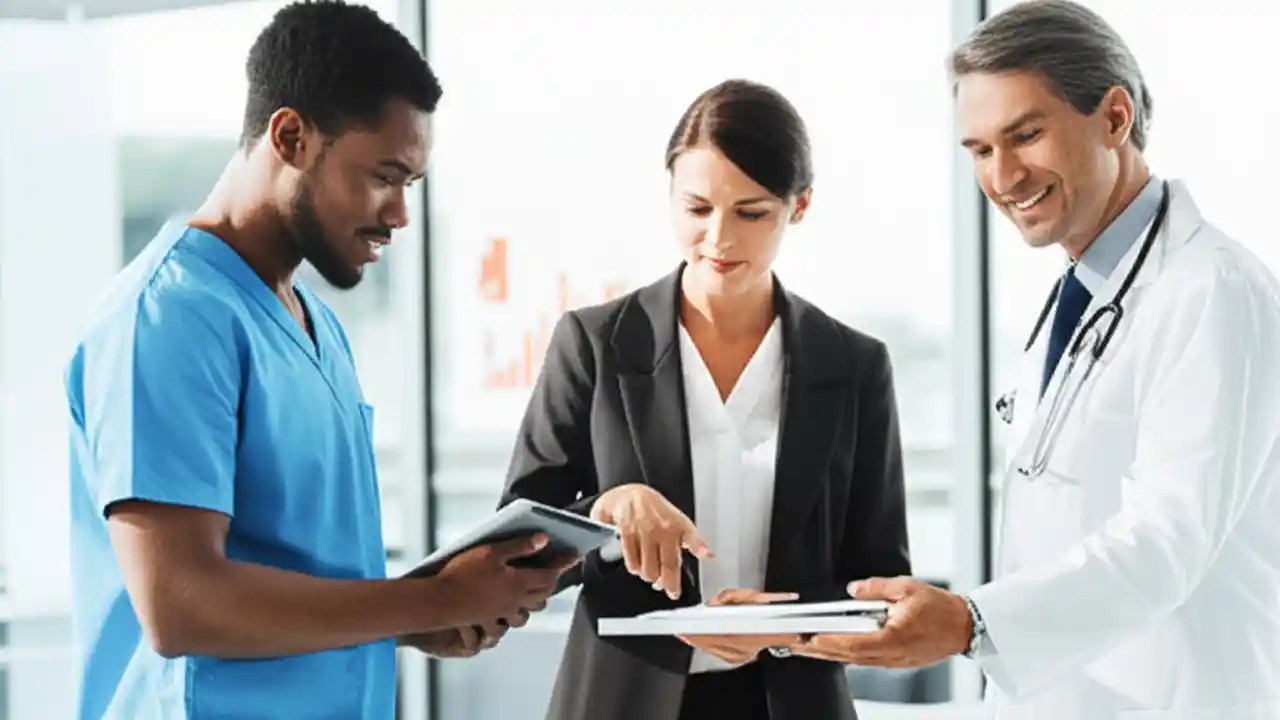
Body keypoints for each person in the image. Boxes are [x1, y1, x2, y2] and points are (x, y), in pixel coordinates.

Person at [64, 3, 576, 718]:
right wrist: (429, 597)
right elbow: (179, 605)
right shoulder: (171, 316)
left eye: (411, 186)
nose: (399, 213)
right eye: (384, 176)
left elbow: (293, 574)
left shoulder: (319, 329)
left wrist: (417, 617)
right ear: (292, 136)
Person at [788, 2, 1280, 718]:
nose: (1003, 176)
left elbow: (1166, 538)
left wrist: (969, 622)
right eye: (980, 150)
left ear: (1114, 118)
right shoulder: (1079, 298)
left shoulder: (1211, 289)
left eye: (1026, 135)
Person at [499, 78, 911, 720]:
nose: (719, 238)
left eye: (751, 213)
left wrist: (786, 626)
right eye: (696, 209)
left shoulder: (855, 365)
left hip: (791, 703)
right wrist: (608, 508)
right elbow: (517, 539)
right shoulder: (593, 342)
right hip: (621, 700)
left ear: (798, 207)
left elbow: (879, 581)